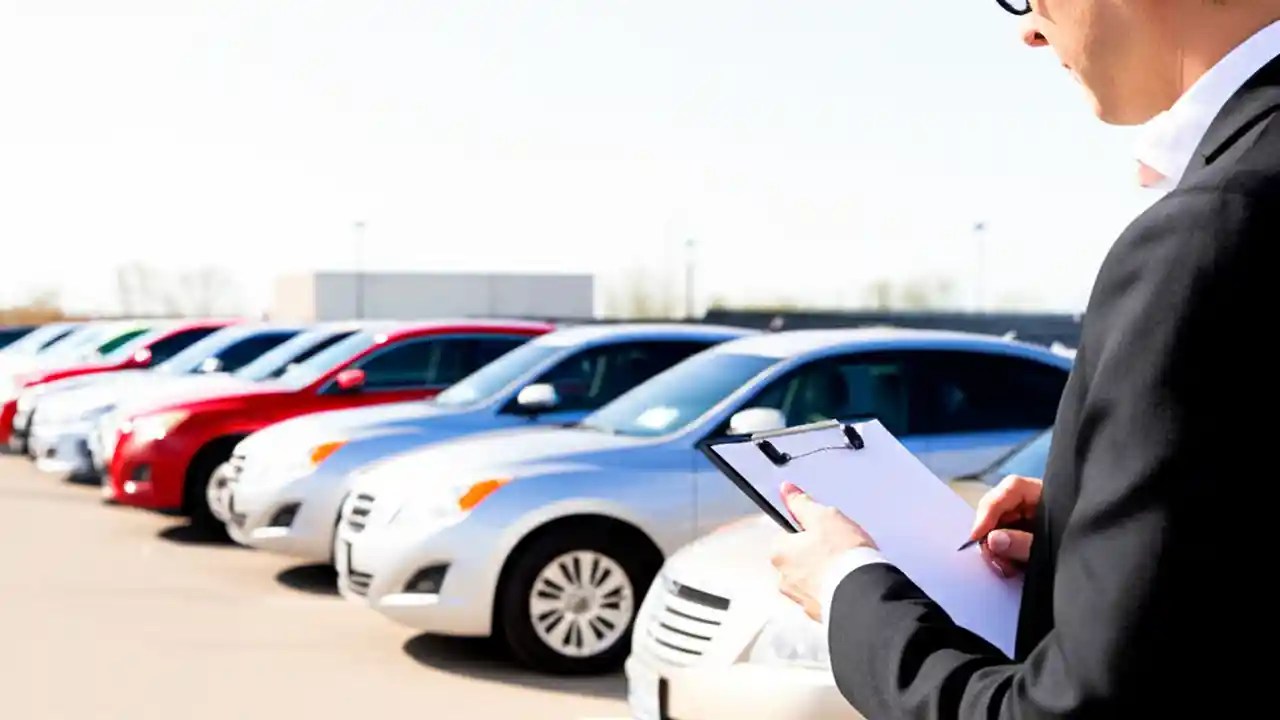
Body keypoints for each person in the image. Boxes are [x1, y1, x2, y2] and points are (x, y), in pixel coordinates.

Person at [770, 1, 1278, 717]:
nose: (1029, 29)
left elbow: (1067, 711)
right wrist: (1104, 530)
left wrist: (849, 587)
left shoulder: (1215, 224)